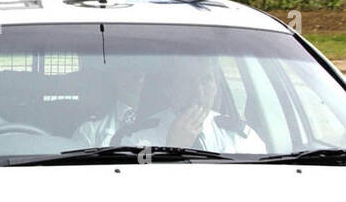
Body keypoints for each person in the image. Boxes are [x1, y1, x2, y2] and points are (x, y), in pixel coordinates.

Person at [120, 56, 266, 154]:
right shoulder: (138, 140)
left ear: (216, 86)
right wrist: (173, 150)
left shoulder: (240, 137)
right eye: (187, 81)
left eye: (206, 81)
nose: (198, 92)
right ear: (169, 88)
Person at [72, 63, 147, 147]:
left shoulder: (159, 127)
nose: (139, 79)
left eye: (144, 71)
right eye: (127, 69)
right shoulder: (89, 131)